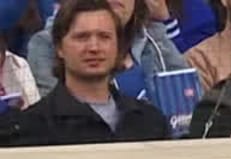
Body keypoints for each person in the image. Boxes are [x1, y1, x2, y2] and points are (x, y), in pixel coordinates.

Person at [1, 0, 170, 146]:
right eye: (82, 37)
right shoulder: (29, 130)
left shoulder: (151, 122)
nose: (94, 47)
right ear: (59, 47)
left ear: (118, 46)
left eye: (104, 37)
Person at [26, 0, 190, 99]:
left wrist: (161, 21)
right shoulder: (47, 44)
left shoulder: (153, 40)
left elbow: (187, 106)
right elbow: (54, 122)